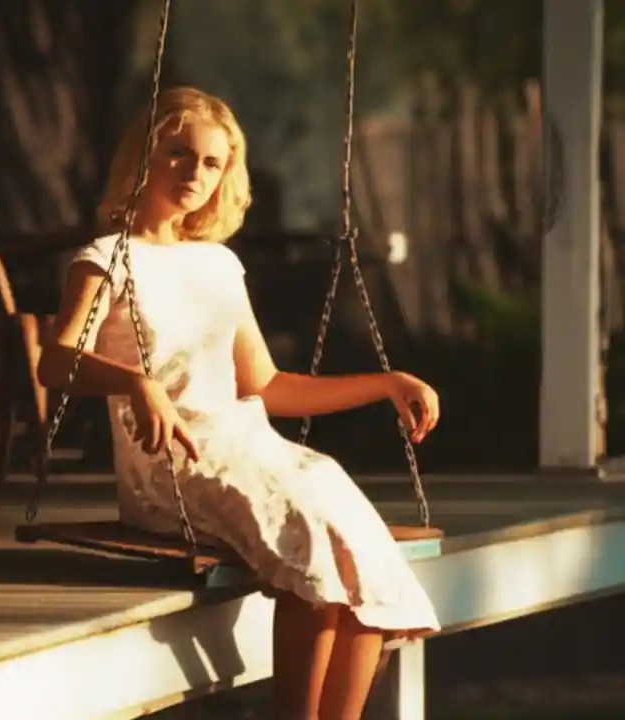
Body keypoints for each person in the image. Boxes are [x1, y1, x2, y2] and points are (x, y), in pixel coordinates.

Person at [37, 87, 441, 720]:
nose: (194, 173)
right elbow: (55, 362)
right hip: (175, 464)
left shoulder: (219, 264)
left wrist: (385, 383)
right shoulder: (106, 259)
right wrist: (135, 383)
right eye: (178, 154)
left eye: (211, 162)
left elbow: (267, 385)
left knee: (356, 540)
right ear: (143, 156)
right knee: (309, 541)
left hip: (250, 448)